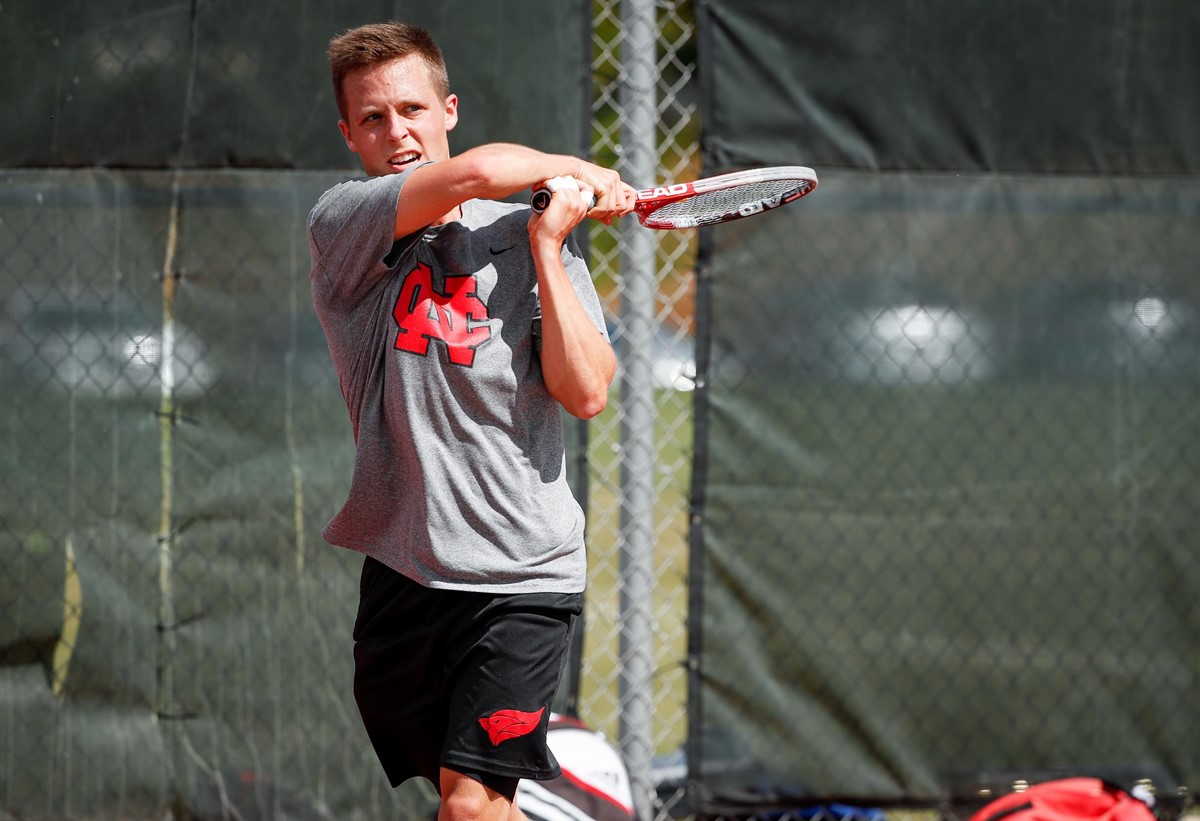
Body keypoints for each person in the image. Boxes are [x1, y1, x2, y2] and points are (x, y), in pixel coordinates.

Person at [306, 21, 636, 821]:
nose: (398, 131)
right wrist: (581, 168)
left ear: (448, 108)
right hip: (405, 571)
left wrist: (551, 250)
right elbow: (482, 171)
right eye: (375, 118)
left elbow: (586, 390)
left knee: (470, 806)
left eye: (413, 109)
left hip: (523, 576)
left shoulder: (528, 235)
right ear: (348, 133)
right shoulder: (345, 223)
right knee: (466, 807)